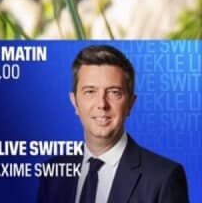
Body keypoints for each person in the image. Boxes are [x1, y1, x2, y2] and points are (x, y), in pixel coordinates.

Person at [36, 44, 189, 203]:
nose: (102, 104)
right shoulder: (53, 173)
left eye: (114, 93)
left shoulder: (164, 178)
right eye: (90, 92)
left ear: (131, 103)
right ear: (74, 102)